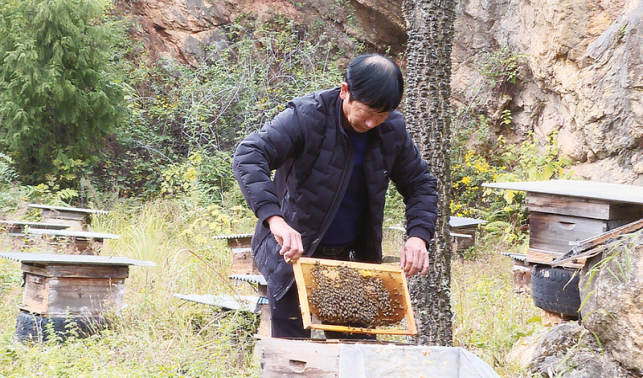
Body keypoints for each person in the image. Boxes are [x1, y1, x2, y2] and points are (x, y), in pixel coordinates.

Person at [233, 54, 438, 338]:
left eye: (382, 115)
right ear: (345, 91)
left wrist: (418, 235)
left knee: (357, 358)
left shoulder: (392, 131)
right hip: (294, 257)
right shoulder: (305, 116)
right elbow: (249, 155)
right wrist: (275, 219)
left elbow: (420, 184)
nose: (371, 124)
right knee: (295, 359)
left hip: (354, 262)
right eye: (366, 111)